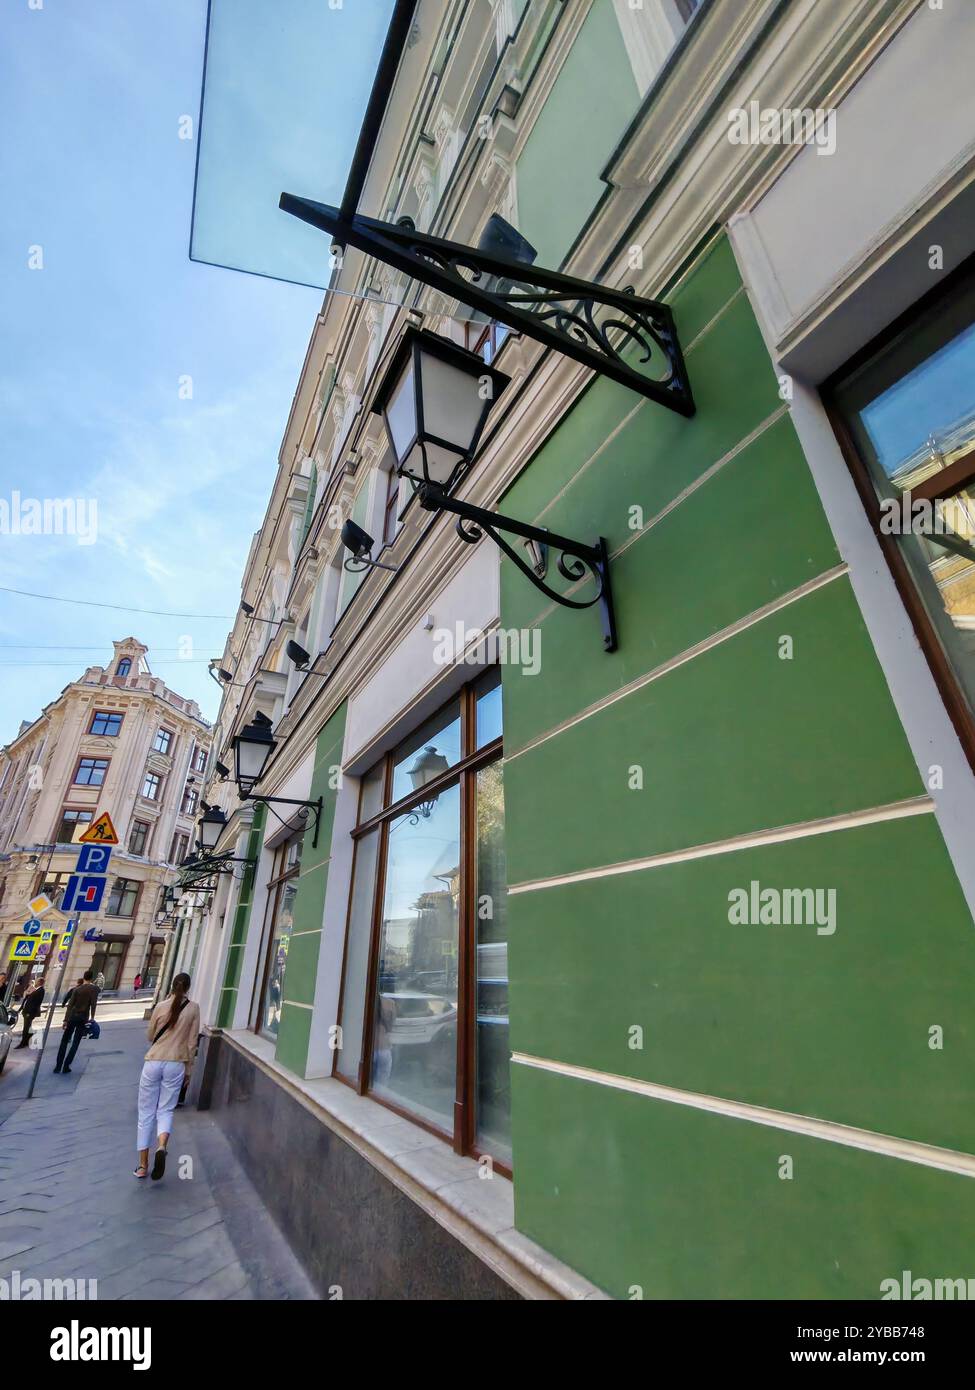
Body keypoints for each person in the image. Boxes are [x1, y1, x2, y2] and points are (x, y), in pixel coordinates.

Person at [135, 973, 199, 1181]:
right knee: (166, 1110)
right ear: (188, 987)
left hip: (154, 1061)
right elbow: (192, 1044)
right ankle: (162, 1146)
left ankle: (142, 1166)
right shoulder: (193, 1008)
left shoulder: (160, 1007)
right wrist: (189, 1070)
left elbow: (150, 1035)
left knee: (145, 1114)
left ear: (172, 986)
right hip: (176, 1063)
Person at [54, 970, 98, 1074]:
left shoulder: (77, 989)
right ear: (92, 978)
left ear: (84, 977)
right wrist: (92, 1017)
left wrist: (65, 1020)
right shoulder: (94, 989)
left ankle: (58, 1066)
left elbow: (70, 1005)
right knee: (76, 1042)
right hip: (83, 1017)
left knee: (64, 1041)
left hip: (72, 1016)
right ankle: (66, 1066)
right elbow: (93, 1004)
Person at [16, 977, 45, 1048]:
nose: (36, 982)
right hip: (26, 1011)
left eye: (37, 981)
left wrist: (29, 1012)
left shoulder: (41, 990)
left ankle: (23, 1043)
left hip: (29, 1012)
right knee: (27, 1027)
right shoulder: (37, 989)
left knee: (26, 1028)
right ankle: (28, 1038)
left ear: (40, 982)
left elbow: (37, 1003)